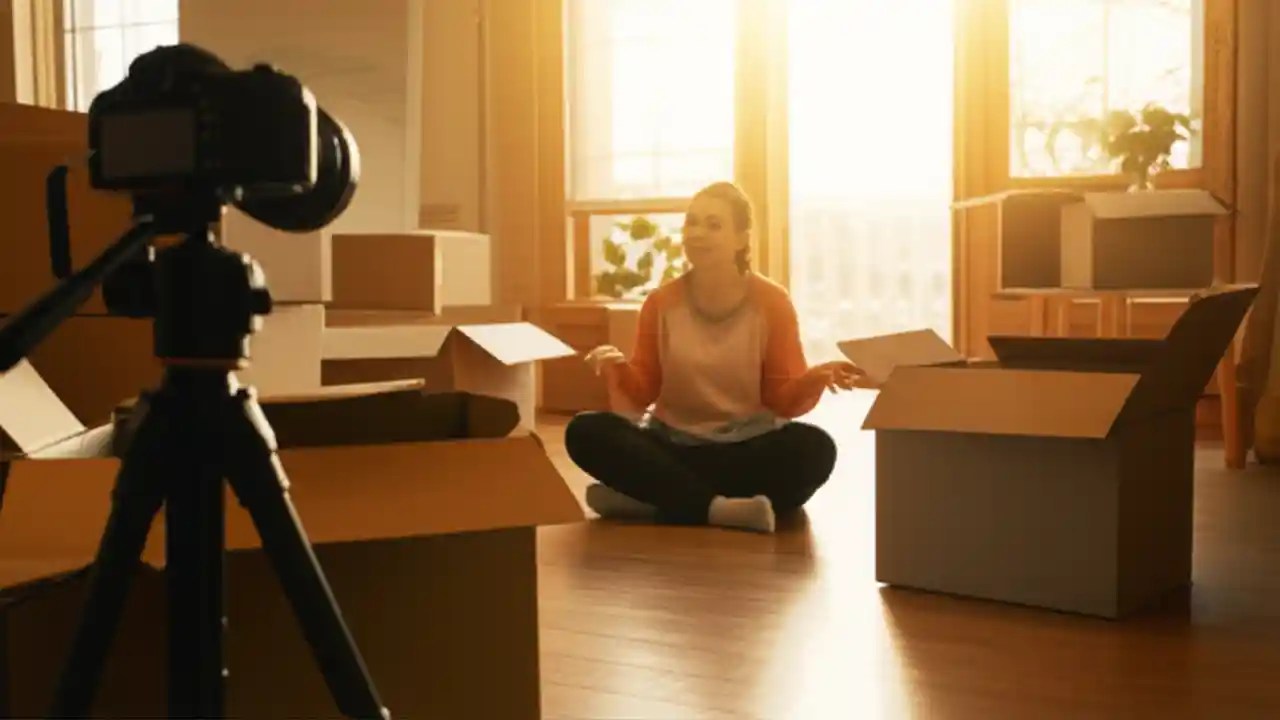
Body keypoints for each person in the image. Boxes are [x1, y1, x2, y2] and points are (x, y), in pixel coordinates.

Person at [564, 181, 863, 534]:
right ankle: (717, 508)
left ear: (741, 238)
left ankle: (656, 499)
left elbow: (780, 399)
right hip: (673, 444)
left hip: (745, 447)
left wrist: (817, 376)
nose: (697, 233)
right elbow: (643, 392)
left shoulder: (772, 302)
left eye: (713, 224)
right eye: (691, 222)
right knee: (585, 431)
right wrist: (616, 366)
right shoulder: (661, 303)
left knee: (814, 449)